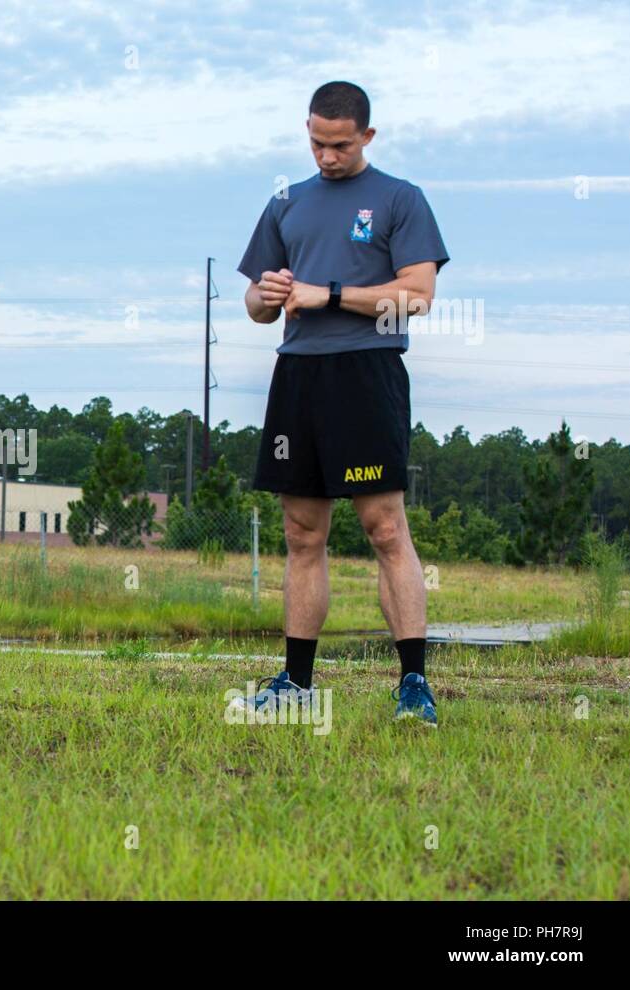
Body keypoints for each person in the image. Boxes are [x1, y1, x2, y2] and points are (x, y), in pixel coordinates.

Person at [230, 81, 449, 726]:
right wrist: (268, 295)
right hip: (297, 376)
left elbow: (417, 294)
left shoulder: (401, 199)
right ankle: (296, 683)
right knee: (302, 533)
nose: (327, 156)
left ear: (367, 138)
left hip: (366, 372)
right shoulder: (285, 202)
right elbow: (254, 307)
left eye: (341, 145)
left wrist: (328, 293)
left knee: (385, 528)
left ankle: (413, 684)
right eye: (317, 142)